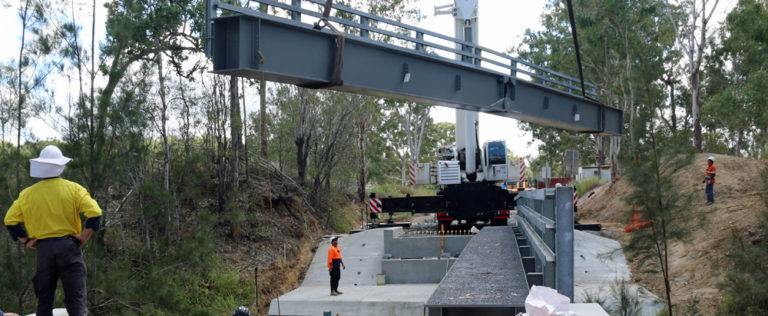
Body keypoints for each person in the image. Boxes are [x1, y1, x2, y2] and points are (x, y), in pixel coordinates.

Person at [4, 145, 103, 316]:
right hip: (68, 247)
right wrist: (83, 237)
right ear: (60, 166)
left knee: (44, 299)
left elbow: (10, 221)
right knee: (76, 299)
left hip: (44, 250)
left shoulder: (27, 194)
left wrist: (26, 241)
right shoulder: (73, 189)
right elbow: (95, 213)